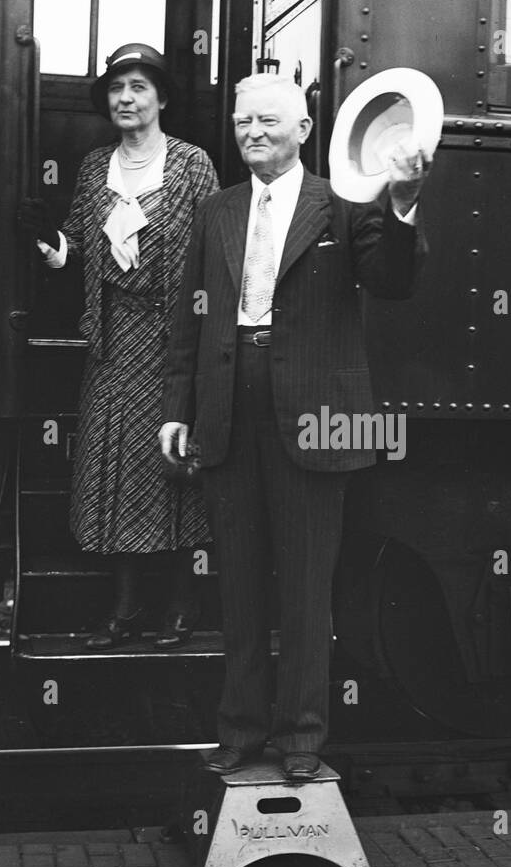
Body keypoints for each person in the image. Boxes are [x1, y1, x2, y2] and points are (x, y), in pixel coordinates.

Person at [160, 73, 431, 779]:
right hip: (226, 414)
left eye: (268, 122)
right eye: (242, 121)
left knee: (307, 592)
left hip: (315, 422)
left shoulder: (344, 205)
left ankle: (302, 741)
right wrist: (175, 410)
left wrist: (402, 204)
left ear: (304, 130)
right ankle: (240, 736)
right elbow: (189, 319)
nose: (252, 132)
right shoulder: (214, 211)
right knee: (240, 591)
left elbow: (393, 281)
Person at [19, 44, 218, 648]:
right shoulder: (94, 166)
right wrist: (54, 246)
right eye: (116, 89)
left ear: (161, 97)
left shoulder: (191, 164)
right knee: (113, 473)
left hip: (174, 339)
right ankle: (127, 606)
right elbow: (78, 242)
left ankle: (181, 606)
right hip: (113, 340)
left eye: (137, 87)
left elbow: (215, 250)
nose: (126, 99)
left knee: (173, 469)